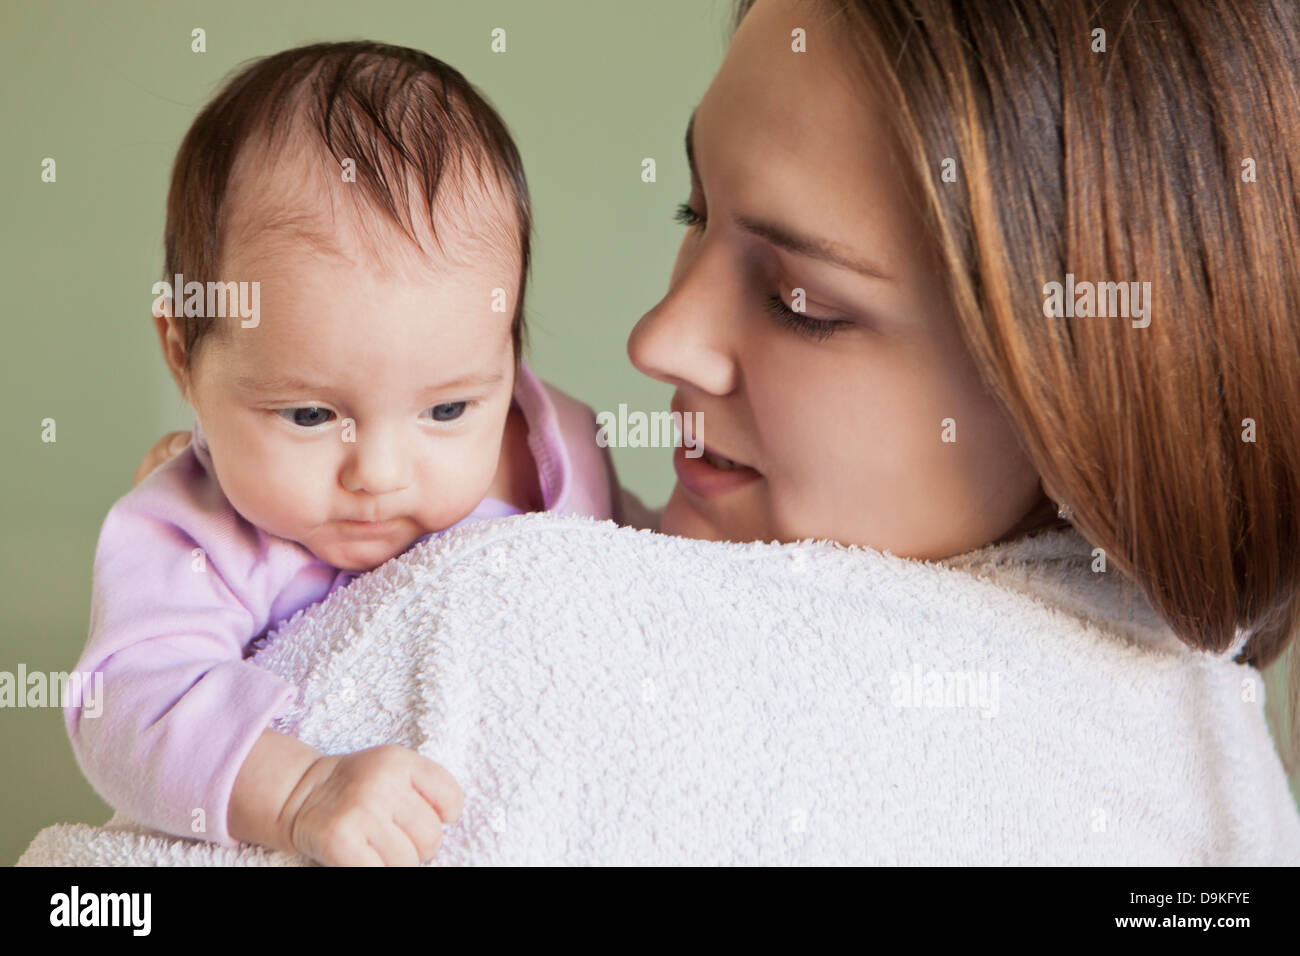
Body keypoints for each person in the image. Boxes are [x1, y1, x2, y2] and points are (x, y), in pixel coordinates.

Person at [134, 0, 1300, 860]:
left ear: (1086, 392)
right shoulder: (1208, 774)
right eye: (693, 210)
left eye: (803, 300)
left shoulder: (505, 626)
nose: (659, 338)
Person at [68, 41, 625, 868]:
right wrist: (300, 792)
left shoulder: (563, 442)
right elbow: (126, 704)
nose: (380, 473)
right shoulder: (191, 533)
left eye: (446, 407)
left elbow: (647, 581)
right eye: (307, 413)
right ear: (183, 353)